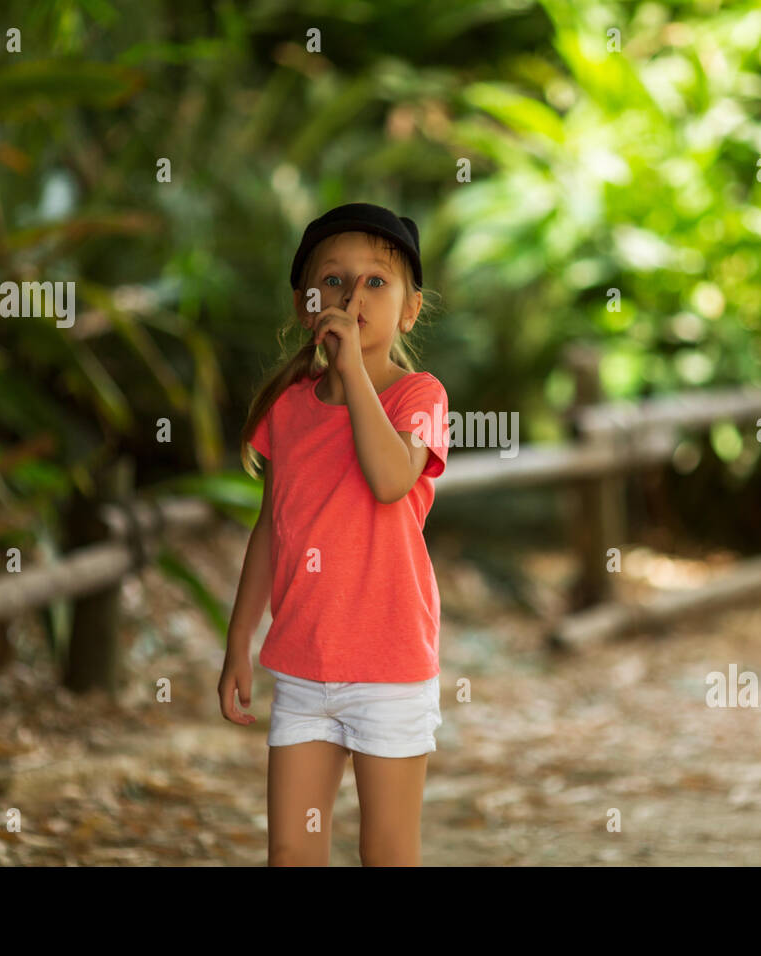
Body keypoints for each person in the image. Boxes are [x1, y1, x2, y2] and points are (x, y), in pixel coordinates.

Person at [218, 202, 450, 866]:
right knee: (291, 850)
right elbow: (271, 529)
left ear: (410, 308)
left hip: (390, 667)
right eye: (335, 281)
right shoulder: (289, 410)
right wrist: (240, 637)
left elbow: (388, 479)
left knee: (386, 850)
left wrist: (351, 375)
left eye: (376, 281)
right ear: (305, 304)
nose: (353, 296)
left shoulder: (419, 397)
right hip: (304, 668)